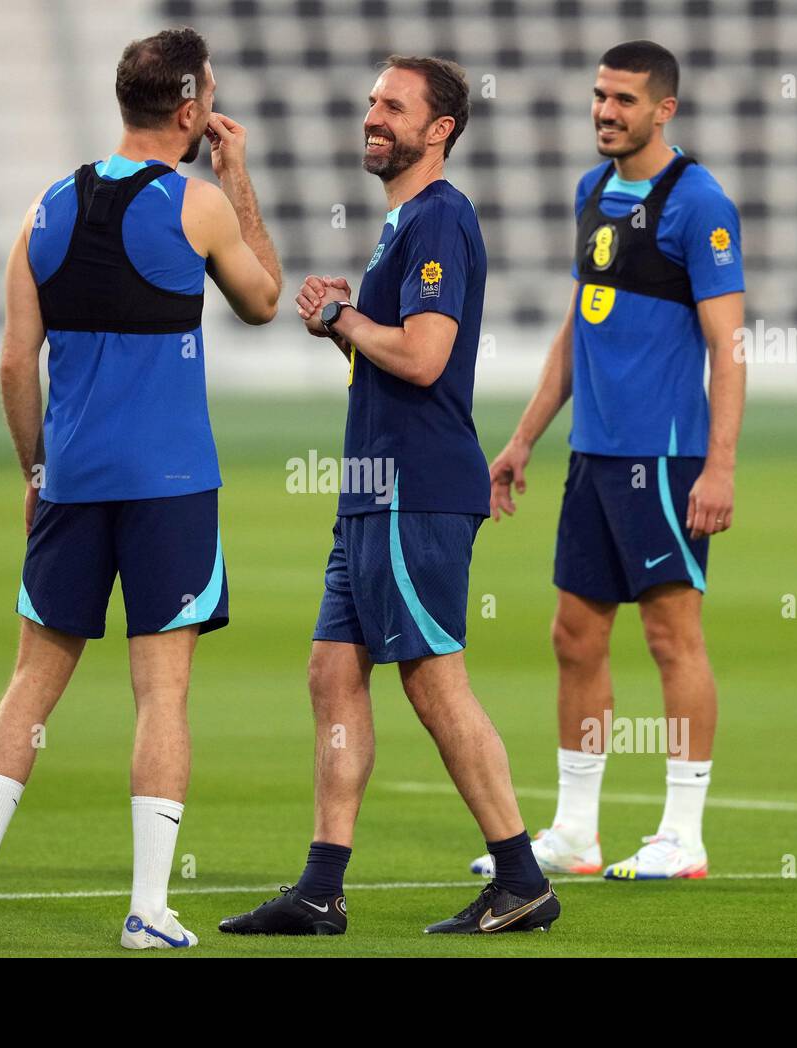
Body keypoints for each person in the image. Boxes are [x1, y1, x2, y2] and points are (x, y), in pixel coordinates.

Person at [0, 27, 281, 950]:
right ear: (192, 111)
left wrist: (37, 470)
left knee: (29, 684)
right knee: (161, 697)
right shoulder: (197, 202)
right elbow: (265, 298)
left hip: (72, 483)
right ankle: (147, 909)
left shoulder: (45, 208)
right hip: (169, 487)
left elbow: (14, 363)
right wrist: (237, 172)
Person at [220, 56, 560, 937]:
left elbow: (424, 357)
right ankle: (322, 888)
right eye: (372, 102)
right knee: (333, 673)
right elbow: (391, 357)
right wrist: (346, 326)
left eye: (393, 106)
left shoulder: (441, 218)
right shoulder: (405, 223)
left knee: (433, 678)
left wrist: (342, 318)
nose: (373, 116)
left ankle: (521, 878)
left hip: (416, 489)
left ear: (438, 129)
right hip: (373, 488)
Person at [472, 40, 746, 882]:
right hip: (592, 458)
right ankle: (577, 833)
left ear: (664, 109)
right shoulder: (591, 191)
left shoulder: (700, 204)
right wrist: (523, 438)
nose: (604, 111)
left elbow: (728, 349)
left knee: (672, 636)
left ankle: (683, 834)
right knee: (575, 635)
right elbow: (577, 327)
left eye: (623, 100)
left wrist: (720, 466)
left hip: (664, 460)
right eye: (599, 96)